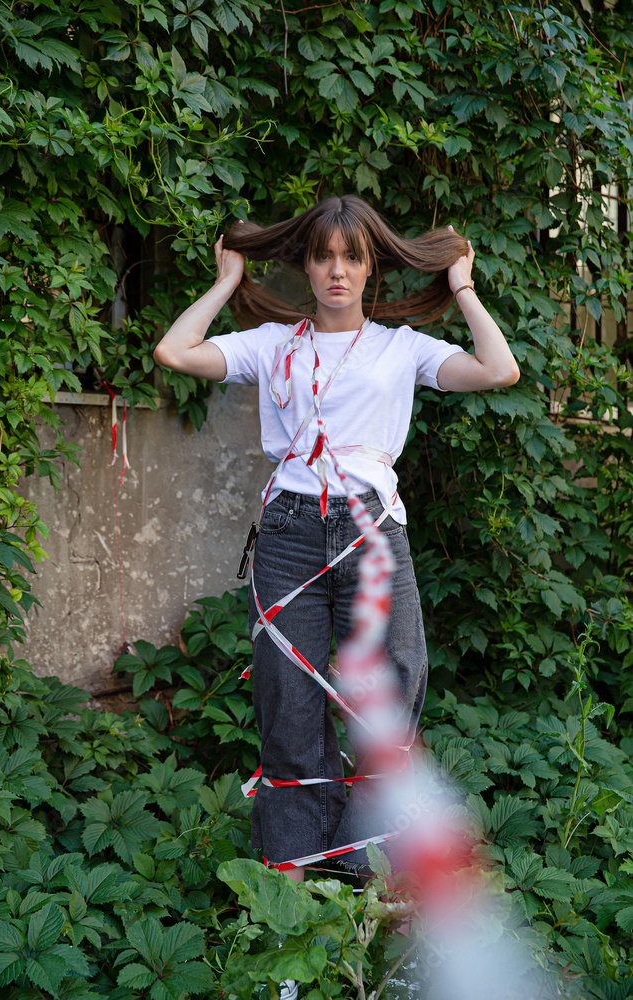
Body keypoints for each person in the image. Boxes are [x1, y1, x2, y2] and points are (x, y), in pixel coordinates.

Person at [154, 194, 519, 883]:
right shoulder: (271, 344)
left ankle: (365, 870)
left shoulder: (401, 348)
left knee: (391, 690)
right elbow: (174, 351)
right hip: (289, 531)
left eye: (351, 257)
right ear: (306, 265)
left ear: (371, 265)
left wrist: (462, 286)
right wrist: (227, 280)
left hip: (372, 532)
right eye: (323, 257)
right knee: (286, 696)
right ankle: (292, 876)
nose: (337, 271)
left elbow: (499, 370)